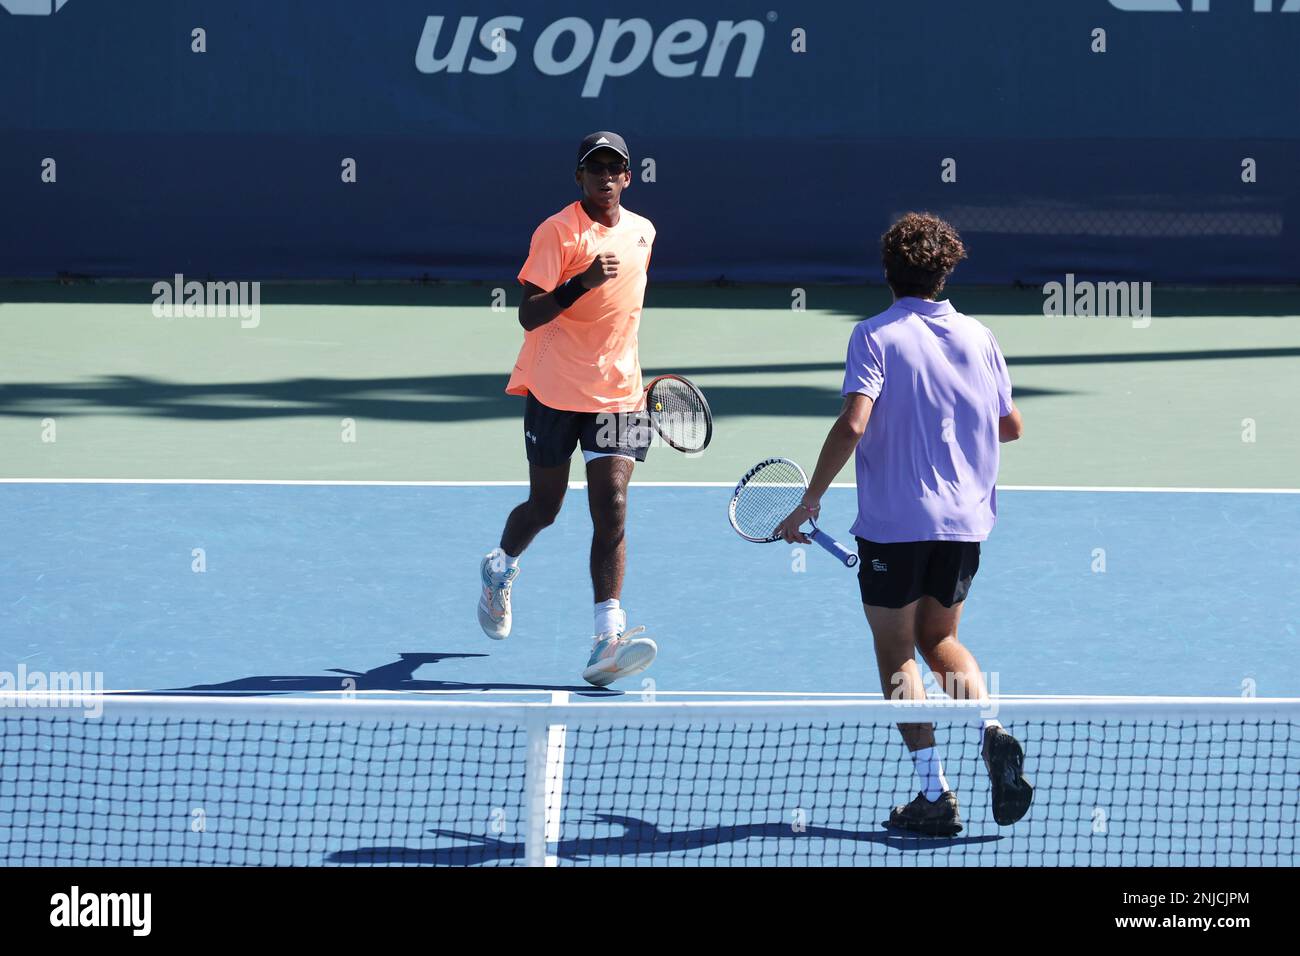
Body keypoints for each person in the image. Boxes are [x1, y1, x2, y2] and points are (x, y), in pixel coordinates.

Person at [776, 212, 1034, 835]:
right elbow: (1011, 425)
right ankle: (989, 728)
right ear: (946, 270)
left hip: (894, 525)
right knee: (939, 639)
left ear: (888, 272)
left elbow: (855, 422)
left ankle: (934, 795)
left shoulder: (873, 335)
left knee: (897, 652)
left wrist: (810, 500)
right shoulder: (980, 337)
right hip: (966, 523)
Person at [477, 131, 658, 688]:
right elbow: (529, 316)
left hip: (619, 393)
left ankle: (608, 636)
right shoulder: (556, 233)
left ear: (628, 177)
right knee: (546, 507)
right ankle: (500, 567)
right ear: (579, 177)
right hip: (554, 392)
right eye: (594, 168)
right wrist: (577, 284)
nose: (605, 176)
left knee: (614, 505)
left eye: (615, 168)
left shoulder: (644, 232)